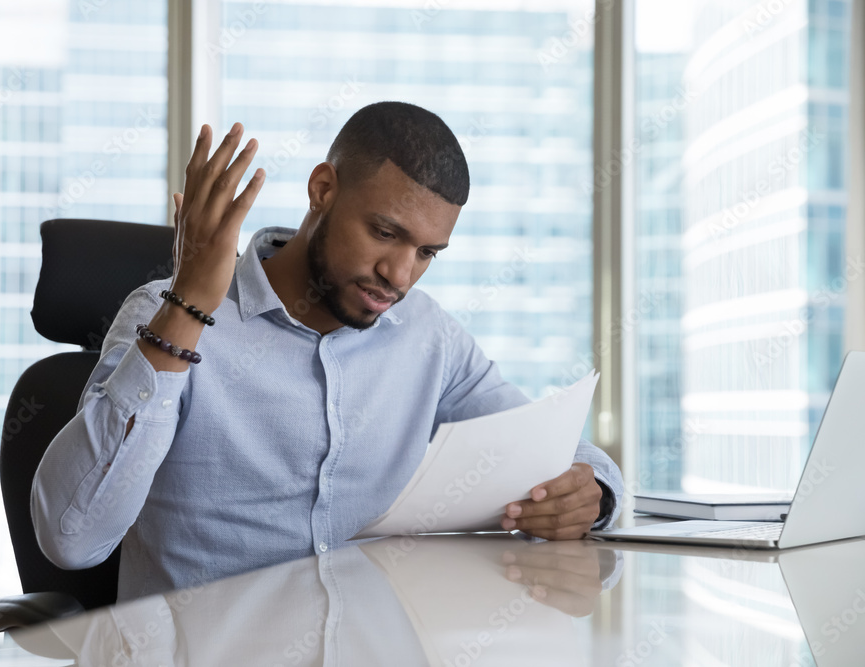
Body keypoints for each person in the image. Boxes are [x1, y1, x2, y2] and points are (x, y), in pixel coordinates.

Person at [31, 101, 624, 602]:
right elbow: (73, 539)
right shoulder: (163, 312)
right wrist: (189, 306)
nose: (398, 274)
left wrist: (592, 493)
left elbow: (546, 445)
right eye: (385, 233)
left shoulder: (427, 337)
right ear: (322, 190)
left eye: (426, 253)